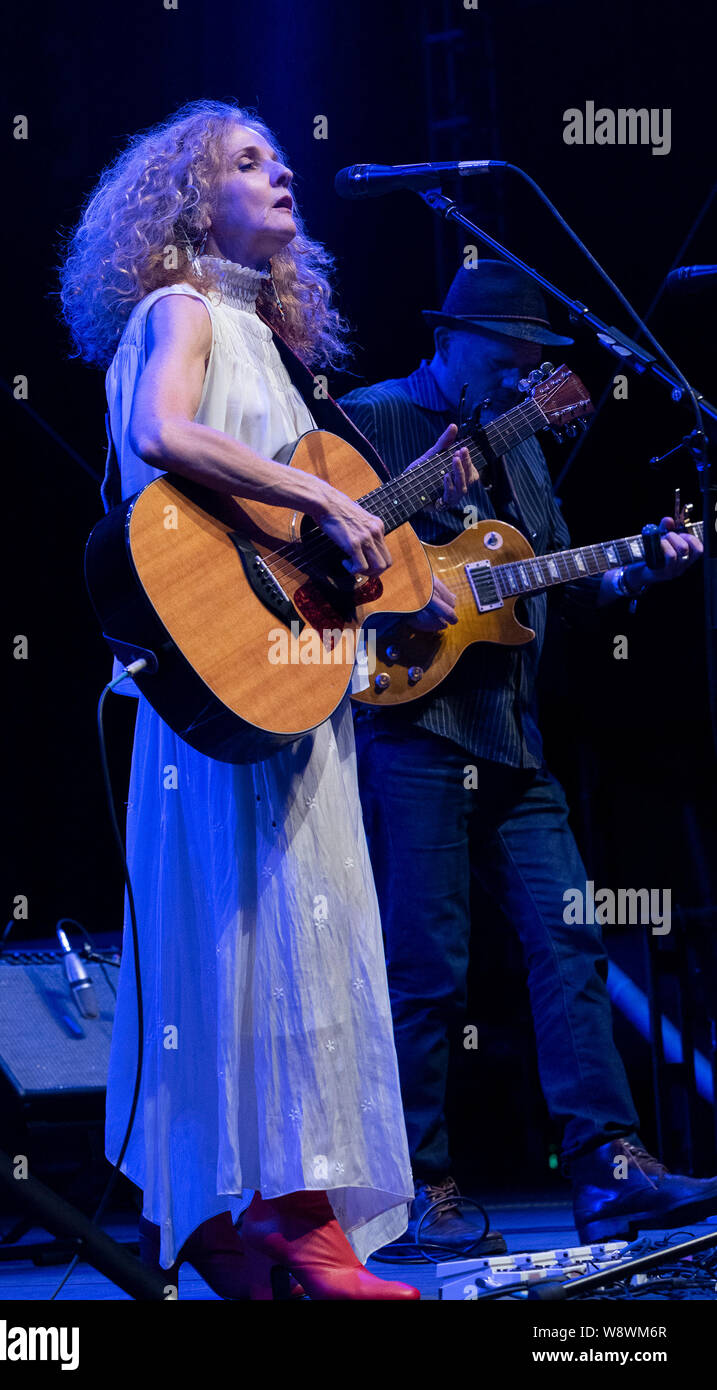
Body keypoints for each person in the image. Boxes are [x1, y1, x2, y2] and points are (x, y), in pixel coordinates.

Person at [59, 99, 476, 1300]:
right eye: (247, 162)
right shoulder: (180, 310)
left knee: (283, 931)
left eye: (282, 159)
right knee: (279, 927)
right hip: (221, 691)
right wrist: (336, 512)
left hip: (282, 685)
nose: (280, 174)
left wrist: (399, 580)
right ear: (191, 202)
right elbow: (163, 433)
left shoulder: (280, 355)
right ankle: (292, 1217)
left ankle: (243, 1219)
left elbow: (296, 556)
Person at [340, 258, 716, 1252]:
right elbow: (330, 556)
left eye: (528, 371)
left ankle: (611, 1168)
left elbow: (557, 578)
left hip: (514, 739)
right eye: (502, 365)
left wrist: (638, 564)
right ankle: (417, 1187)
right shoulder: (370, 421)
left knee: (571, 942)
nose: (515, 386)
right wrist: (423, 542)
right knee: (427, 968)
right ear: (447, 341)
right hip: (414, 725)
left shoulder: (525, 451)